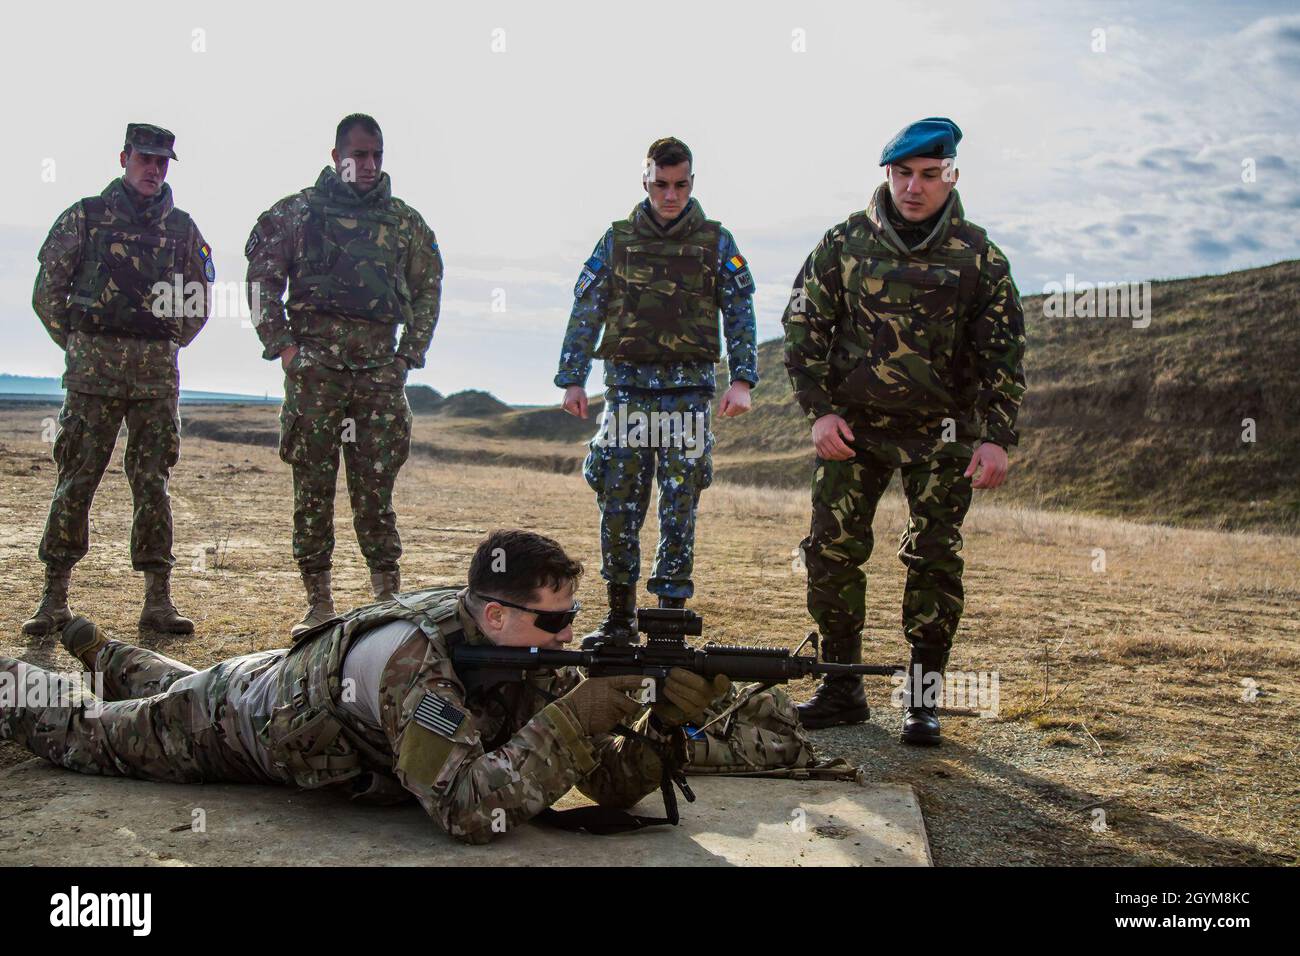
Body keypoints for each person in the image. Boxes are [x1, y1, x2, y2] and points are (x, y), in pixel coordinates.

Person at [0, 530, 730, 844]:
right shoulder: (423, 668)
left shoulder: (520, 651)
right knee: (96, 735)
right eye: (560, 617)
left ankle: (112, 655)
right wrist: (577, 720)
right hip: (241, 727)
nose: (572, 632)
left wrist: (665, 725)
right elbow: (468, 813)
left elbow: (603, 786)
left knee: (173, 686)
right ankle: (13, 684)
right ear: (500, 613)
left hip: (264, 683)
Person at [781, 117, 1027, 744]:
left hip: (943, 434)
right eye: (902, 174)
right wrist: (821, 412)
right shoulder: (844, 244)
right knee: (832, 553)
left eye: (929, 175)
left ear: (950, 175)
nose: (913, 188)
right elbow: (803, 325)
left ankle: (921, 702)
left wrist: (997, 436)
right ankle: (841, 688)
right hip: (854, 430)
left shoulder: (979, 256)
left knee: (935, 561)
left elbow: (1003, 353)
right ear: (886, 174)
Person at [245, 113, 443, 636]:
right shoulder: (298, 214)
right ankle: (319, 600)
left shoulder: (405, 223)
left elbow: (428, 289)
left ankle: (387, 596)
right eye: (358, 154)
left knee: (376, 488)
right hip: (317, 371)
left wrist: (408, 357)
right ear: (337, 157)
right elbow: (261, 279)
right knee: (312, 484)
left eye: (377, 154)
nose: (369, 164)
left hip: (380, 372)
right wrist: (285, 348)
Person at [556, 137, 758, 644]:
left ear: (692, 182)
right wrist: (572, 376)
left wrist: (742, 379)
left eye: (681, 185)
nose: (671, 195)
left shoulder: (715, 240)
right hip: (628, 392)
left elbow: (739, 310)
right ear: (645, 180)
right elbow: (588, 306)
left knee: (678, 503)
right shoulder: (618, 239)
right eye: (661, 184)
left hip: (688, 394)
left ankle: (668, 617)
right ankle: (620, 617)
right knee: (619, 500)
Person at [24, 123, 212, 637]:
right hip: (92, 377)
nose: (154, 169)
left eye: (162, 162)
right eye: (145, 159)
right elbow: (48, 292)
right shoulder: (85, 217)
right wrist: (83, 345)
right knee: (76, 481)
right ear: (124, 157)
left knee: (153, 485)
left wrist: (163, 342)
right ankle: (53, 600)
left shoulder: (183, 230)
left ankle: (158, 601)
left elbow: (197, 303)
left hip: (155, 380)